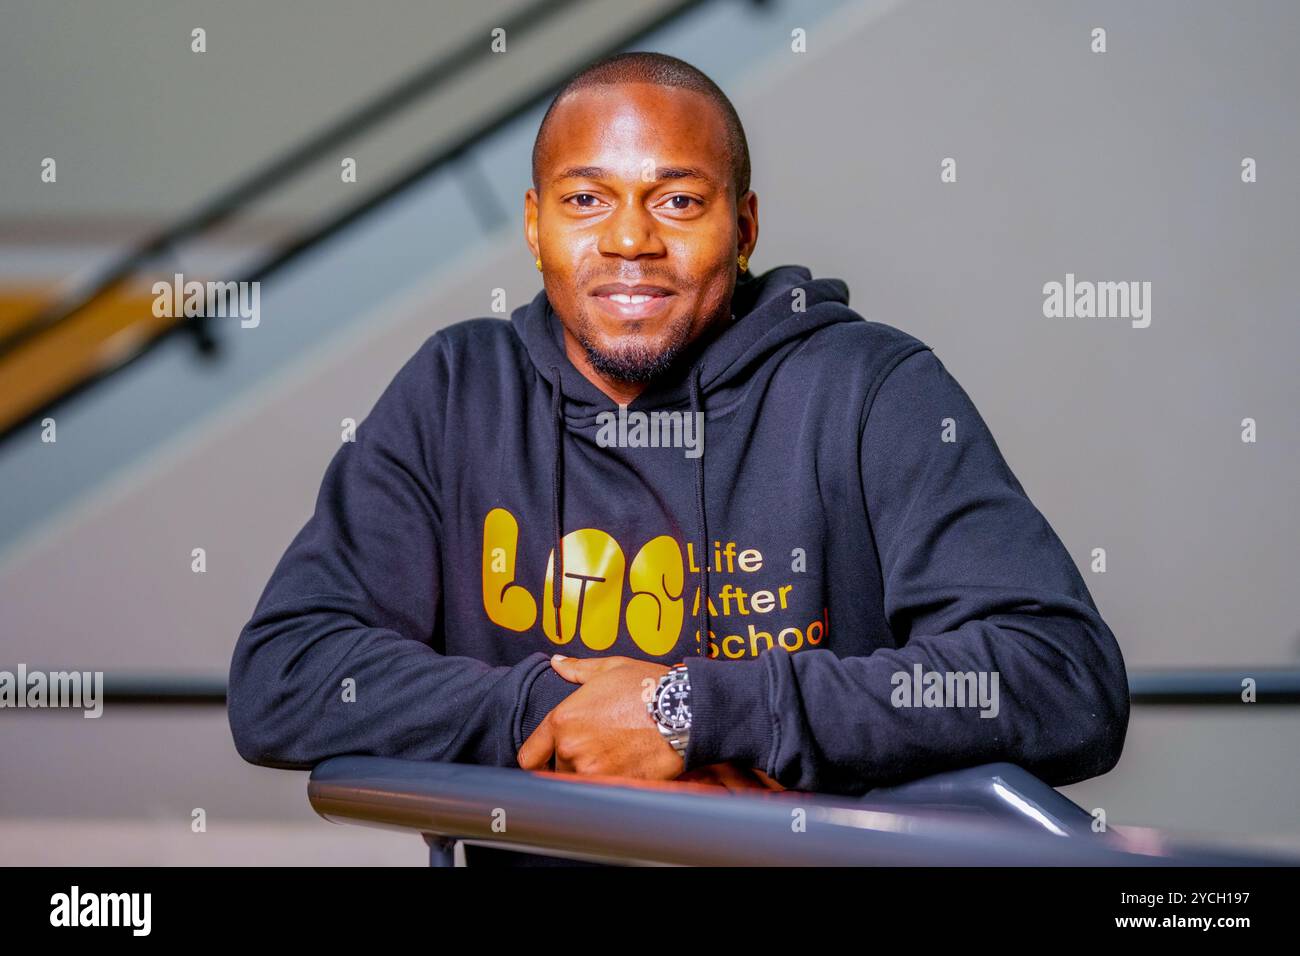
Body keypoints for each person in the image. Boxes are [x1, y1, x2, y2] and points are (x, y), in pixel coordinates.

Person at [227, 51, 1129, 864]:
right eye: (586, 200)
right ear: (536, 227)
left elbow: (1059, 676)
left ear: (744, 228)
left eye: (678, 201)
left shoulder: (868, 387)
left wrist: (697, 714)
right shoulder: (459, 389)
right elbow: (287, 673)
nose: (629, 241)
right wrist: (552, 713)